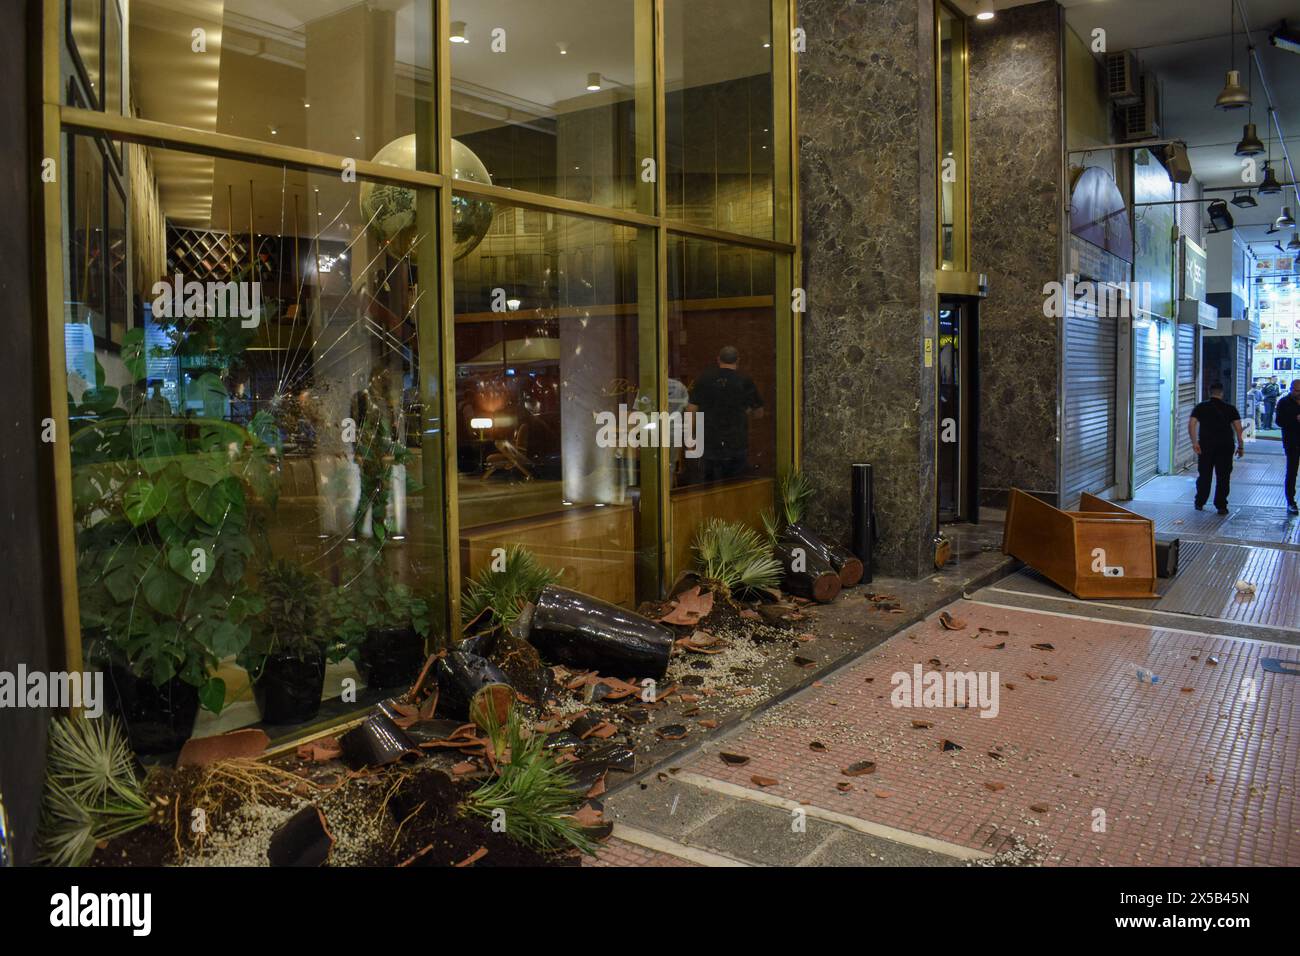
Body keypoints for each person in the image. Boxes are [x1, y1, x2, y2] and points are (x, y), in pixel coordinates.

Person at [688, 345, 764, 483]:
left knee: (709, 484)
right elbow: (758, 412)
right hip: (736, 442)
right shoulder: (744, 380)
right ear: (738, 360)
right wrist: (747, 412)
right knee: (735, 485)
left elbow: (691, 409)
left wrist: (690, 437)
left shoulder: (704, 379)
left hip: (709, 442)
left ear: (718, 359)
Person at [1188, 383, 1245, 515]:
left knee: (1204, 475)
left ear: (1209, 392)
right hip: (1225, 446)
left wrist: (1194, 442)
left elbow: (1191, 424)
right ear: (1222, 393)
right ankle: (1221, 505)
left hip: (1206, 446)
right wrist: (1241, 445)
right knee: (1223, 477)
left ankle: (1199, 502)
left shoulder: (1201, 407)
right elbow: (1238, 428)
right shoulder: (1230, 408)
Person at [1275, 378, 1300, 516]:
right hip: (1292, 442)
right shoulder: (1284, 403)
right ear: (1291, 389)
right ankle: (1291, 501)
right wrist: (1295, 419)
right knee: (1292, 472)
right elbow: (1279, 421)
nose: (1299, 393)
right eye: (1296, 390)